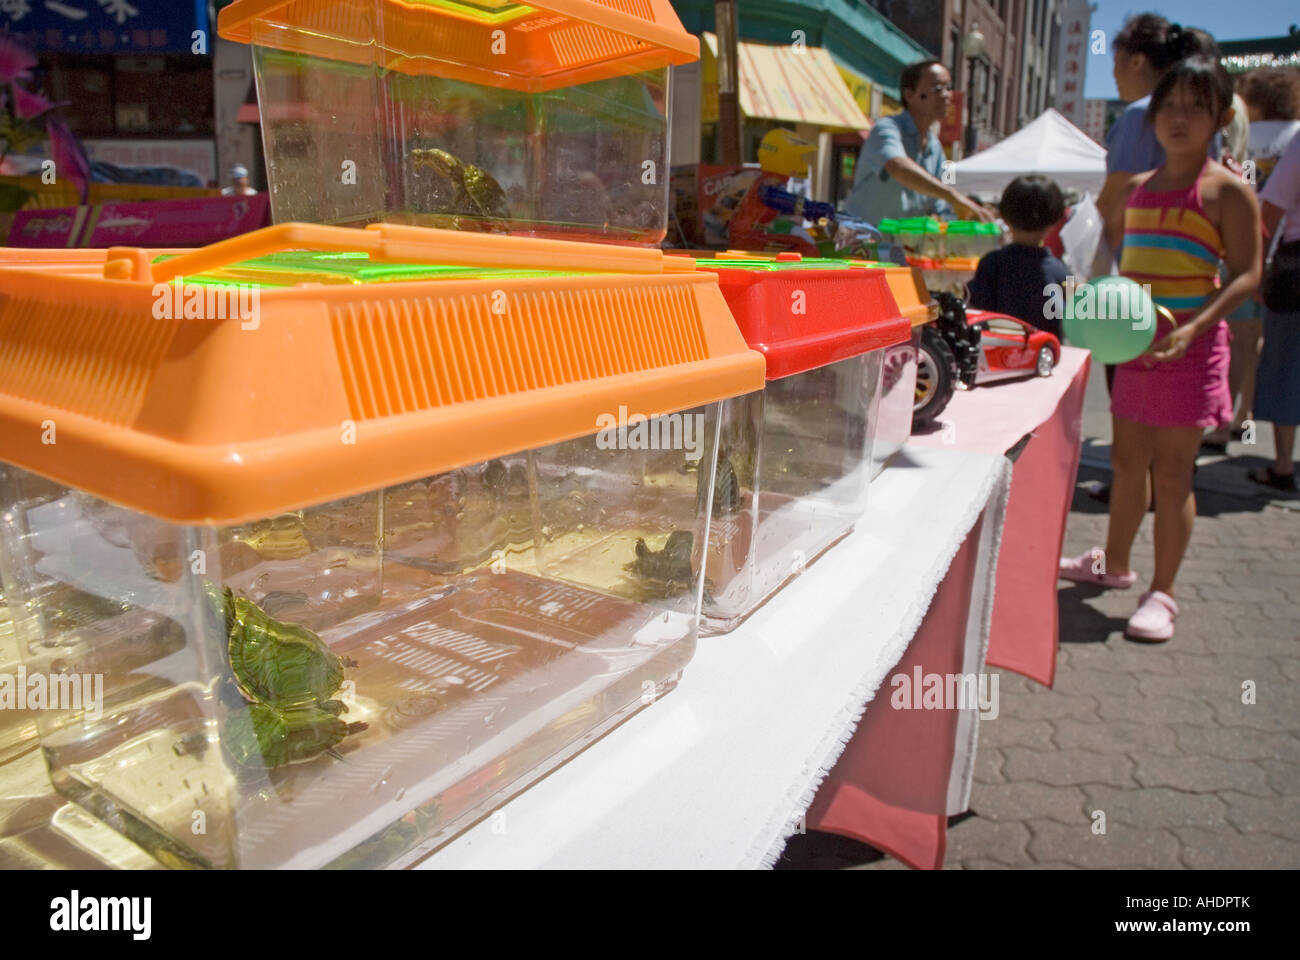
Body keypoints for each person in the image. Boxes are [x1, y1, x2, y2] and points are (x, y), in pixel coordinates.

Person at [1060, 58, 1262, 642]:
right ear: (1152, 119)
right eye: (1168, 107)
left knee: (1173, 474)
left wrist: (1195, 328)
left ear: (1220, 117)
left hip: (1192, 351)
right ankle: (1114, 565)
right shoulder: (1138, 189)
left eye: (1195, 108)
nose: (1178, 119)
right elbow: (1118, 270)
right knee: (1127, 463)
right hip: (1137, 351)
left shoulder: (1228, 191)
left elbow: (1249, 275)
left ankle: (1163, 593)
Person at [1202, 67, 1300, 452]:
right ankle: (1246, 416)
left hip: (1241, 247)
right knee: (1260, 344)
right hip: (1286, 259)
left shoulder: (1242, 139)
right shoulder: (1294, 135)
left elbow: (1242, 190)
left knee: (1238, 341)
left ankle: (1227, 421)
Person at [842, 59, 994, 225]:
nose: (947, 95)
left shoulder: (937, 149)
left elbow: (943, 204)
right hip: (859, 243)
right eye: (937, 88)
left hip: (902, 248)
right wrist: (952, 195)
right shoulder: (885, 128)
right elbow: (898, 166)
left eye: (948, 88)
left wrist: (966, 217)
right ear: (909, 95)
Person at [1248, 124, 1300, 492]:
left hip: (1295, 271)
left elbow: (1271, 209)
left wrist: (1256, 270)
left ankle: (1283, 465)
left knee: (1286, 365)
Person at [964, 175, 1068, 338]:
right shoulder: (1059, 270)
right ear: (1054, 221)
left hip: (1000, 355)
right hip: (1046, 355)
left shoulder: (992, 263)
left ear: (1005, 216)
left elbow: (976, 311)